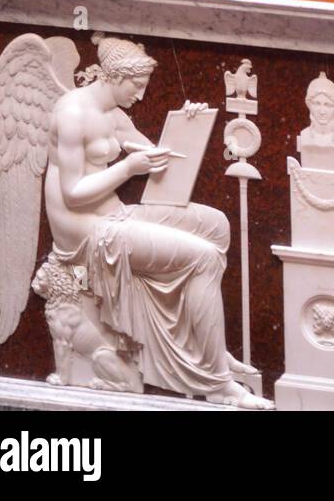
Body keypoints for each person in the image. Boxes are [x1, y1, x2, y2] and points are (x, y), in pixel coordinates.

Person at [45, 32, 270, 407]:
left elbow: (155, 154)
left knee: (216, 225)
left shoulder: (112, 114)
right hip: (87, 234)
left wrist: (188, 123)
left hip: (112, 216)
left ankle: (206, 344)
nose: (142, 95)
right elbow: (74, 193)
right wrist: (128, 169)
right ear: (114, 77)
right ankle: (217, 382)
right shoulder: (72, 113)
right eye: (137, 86)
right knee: (204, 258)